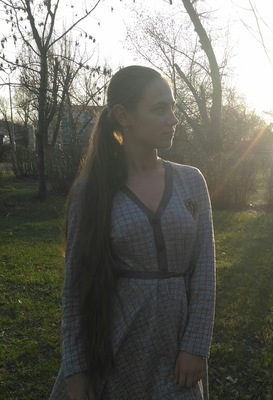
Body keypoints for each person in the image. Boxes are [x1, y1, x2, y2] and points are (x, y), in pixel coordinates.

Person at [50, 65, 215, 400]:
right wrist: (75, 369)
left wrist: (195, 347)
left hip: (177, 358)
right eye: (160, 109)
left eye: (173, 108)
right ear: (123, 115)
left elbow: (205, 272)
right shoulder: (92, 192)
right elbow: (75, 288)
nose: (173, 119)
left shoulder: (191, 181)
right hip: (113, 354)